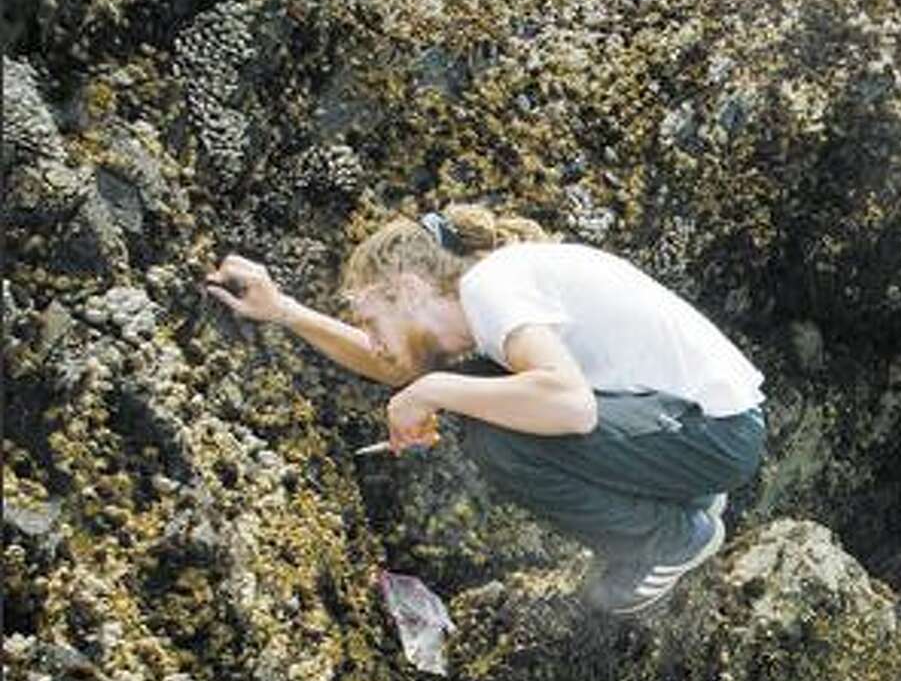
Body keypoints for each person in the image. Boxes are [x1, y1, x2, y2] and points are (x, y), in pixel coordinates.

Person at [205, 204, 766, 616]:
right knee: (484, 397)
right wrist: (285, 311)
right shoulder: (488, 299)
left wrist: (435, 391)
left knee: (500, 438)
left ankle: (669, 540)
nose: (373, 338)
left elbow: (571, 407)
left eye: (373, 321)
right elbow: (397, 368)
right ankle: (682, 501)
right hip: (695, 428)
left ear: (409, 289)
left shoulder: (492, 287)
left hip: (717, 435)